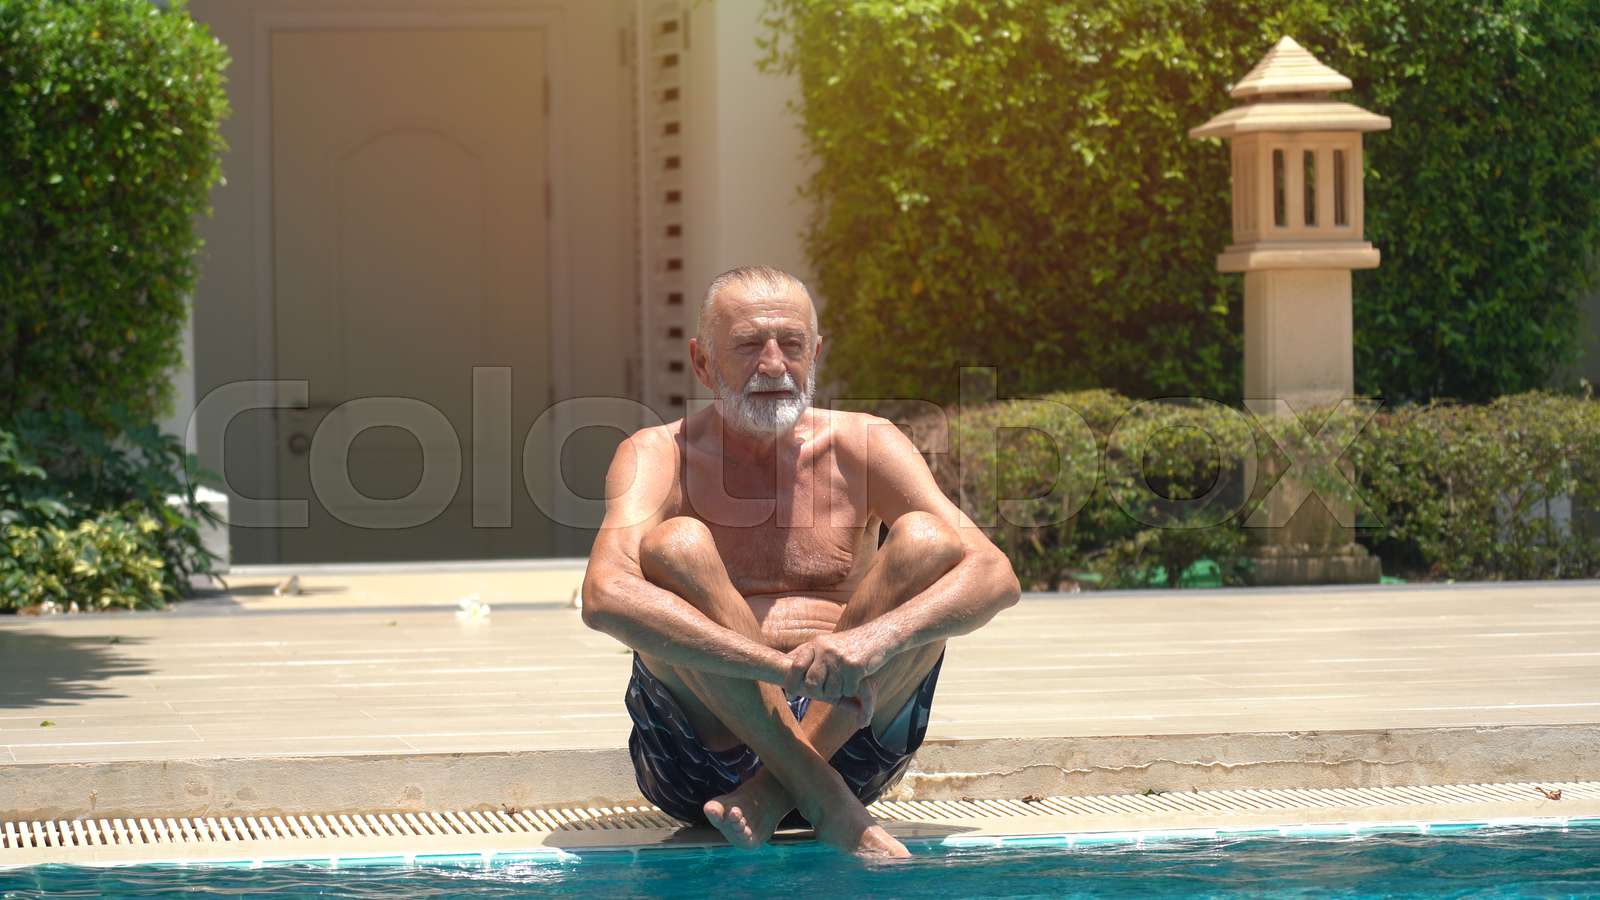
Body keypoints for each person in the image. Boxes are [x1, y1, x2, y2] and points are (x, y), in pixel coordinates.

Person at [580, 265, 1020, 858]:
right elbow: (604, 594)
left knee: (929, 542)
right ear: (704, 363)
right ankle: (820, 798)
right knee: (674, 546)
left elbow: (995, 574)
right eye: (746, 346)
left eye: (790, 345)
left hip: (850, 740)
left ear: (815, 353)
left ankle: (774, 792)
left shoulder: (865, 444)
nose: (772, 365)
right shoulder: (658, 454)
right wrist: (773, 667)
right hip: (702, 753)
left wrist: (875, 642)